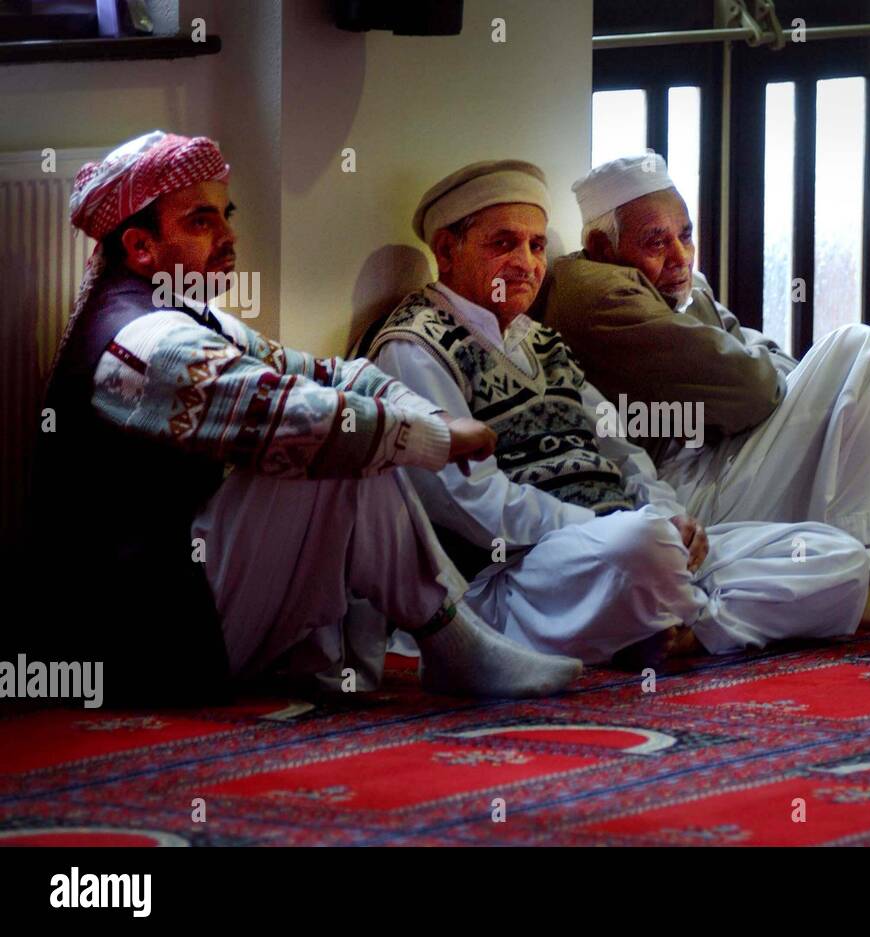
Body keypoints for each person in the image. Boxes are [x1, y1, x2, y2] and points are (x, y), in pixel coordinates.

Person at [30, 131, 581, 705]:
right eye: (201, 222)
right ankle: (452, 643)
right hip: (142, 641)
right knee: (335, 448)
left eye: (226, 215)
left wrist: (426, 412)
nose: (228, 237)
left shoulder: (188, 310)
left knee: (355, 441)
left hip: (182, 605)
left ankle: (444, 645)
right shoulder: (146, 341)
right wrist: (434, 437)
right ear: (142, 247)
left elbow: (320, 374)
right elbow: (289, 413)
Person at [363, 159, 870, 670]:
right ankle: (705, 617)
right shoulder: (415, 346)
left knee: (832, 552)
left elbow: (618, 445)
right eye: (503, 244)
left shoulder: (537, 340)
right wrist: (609, 527)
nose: (525, 264)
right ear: (445, 250)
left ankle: (677, 621)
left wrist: (667, 513)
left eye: (537, 246)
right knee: (644, 550)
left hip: (616, 543)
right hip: (516, 576)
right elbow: (470, 504)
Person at [539, 154, 870, 614]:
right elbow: (752, 389)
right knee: (865, 349)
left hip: (734, 468)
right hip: (685, 493)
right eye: (656, 242)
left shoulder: (681, 287)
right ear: (600, 246)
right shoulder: (598, 296)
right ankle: (862, 587)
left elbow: (766, 358)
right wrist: (750, 367)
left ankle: (842, 577)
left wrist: (748, 364)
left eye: (686, 235)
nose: (679, 257)